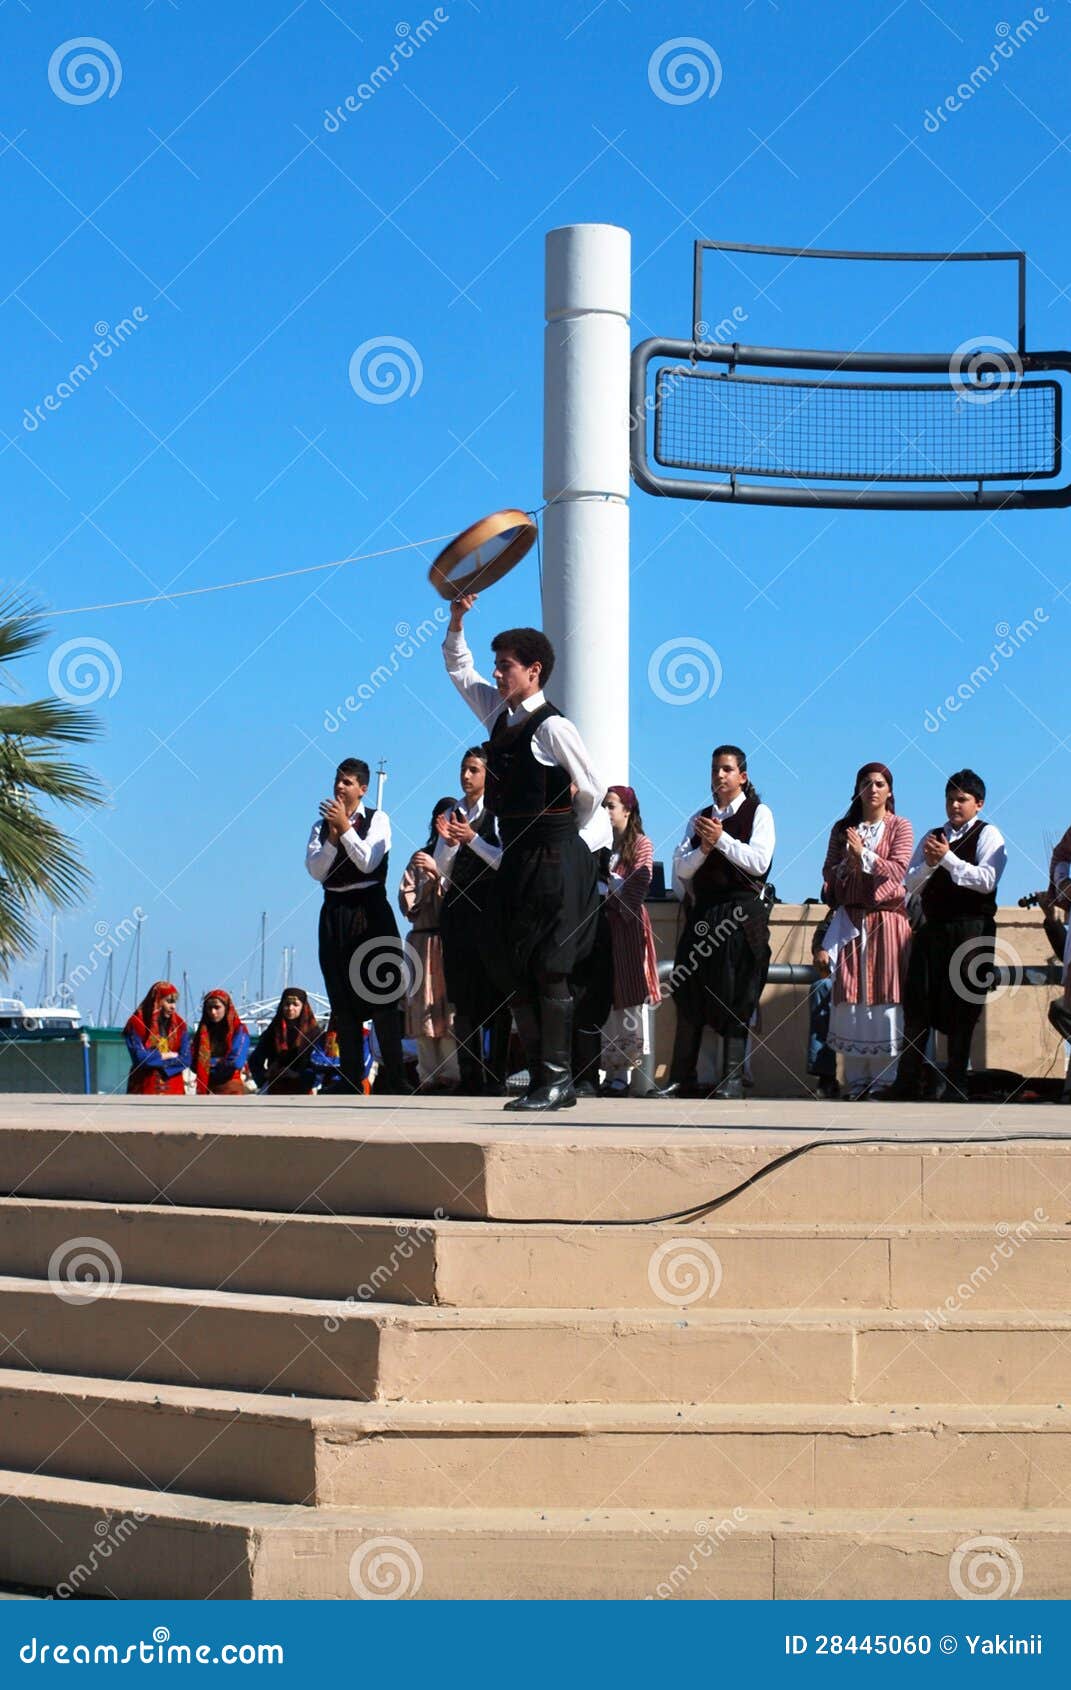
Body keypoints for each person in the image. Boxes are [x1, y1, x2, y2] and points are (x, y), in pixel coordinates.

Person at [442, 592, 607, 1111]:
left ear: (534, 671)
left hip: (554, 858)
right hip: (516, 858)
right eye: (496, 665)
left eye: (506, 666)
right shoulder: (497, 714)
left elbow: (592, 788)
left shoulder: (554, 726)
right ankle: (542, 1078)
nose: (497, 674)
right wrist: (456, 621)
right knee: (514, 965)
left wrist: (561, 831)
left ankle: (558, 1079)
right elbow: (459, 670)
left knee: (552, 964)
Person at [888, 769, 1006, 1102]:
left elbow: (986, 880)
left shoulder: (989, 835)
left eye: (962, 799)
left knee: (963, 1006)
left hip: (971, 930)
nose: (955, 805)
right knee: (919, 1003)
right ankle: (907, 1082)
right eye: (950, 799)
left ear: (978, 803)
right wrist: (929, 864)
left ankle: (956, 1084)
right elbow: (910, 883)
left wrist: (948, 860)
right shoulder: (933, 836)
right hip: (933, 929)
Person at [666, 745, 775, 1100]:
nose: (719, 775)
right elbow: (681, 869)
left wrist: (722, 840)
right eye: (715, 769)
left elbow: (759, 862)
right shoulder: (699, 818)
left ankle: (731, 1079)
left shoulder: (759, 813)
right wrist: (704, 848)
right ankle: (683, 1077)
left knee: (736, 992)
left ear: (742, 776)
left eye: (727, 769)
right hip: (704, 914)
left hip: (740, 915)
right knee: (688, 991)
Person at [305, 757, 410, 1095]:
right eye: (338, 780)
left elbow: (368, 861)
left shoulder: (378, 820)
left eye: (347, 782)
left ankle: (394, 1078)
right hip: (335, 911)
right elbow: (316, 871)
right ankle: (350, 1078)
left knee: (382, 998)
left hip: (370, 910)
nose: (339, 786)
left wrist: (346, 830)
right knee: (342, 999)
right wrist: (333, 837)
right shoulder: (321, 826)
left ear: (363, 789)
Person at [816, 763, 913, 1100]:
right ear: (857, 789)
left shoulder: (900, 826)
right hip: (851, 922)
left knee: (886, 994)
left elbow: (898, 870)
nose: (873, 789)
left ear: (890, 791)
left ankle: (885, 1081)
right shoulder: (842, 829)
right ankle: (856, 1081)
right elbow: (828, 871)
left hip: (886, 921)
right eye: (866, 783)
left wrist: (864, 856)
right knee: (851, 995)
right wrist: (847, 863)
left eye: (880, 783)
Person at [434, 747, 511, 1096]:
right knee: (462, 997)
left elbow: (506, 861)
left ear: (487, 775)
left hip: (491, 908)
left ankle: (496, 1077)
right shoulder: (453, 812)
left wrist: (472, 839)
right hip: (458, 910)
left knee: (496, 994)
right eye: (463, 769)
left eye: (473, 770)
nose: (466, 776)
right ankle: (470, 1076)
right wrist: (450, 843)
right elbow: (442, 869)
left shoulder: (498, 813)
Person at [601, 785, 661, 1097]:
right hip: (603, 928)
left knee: (628, 997)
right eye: (604, 806)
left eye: (611, 806)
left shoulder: (641, 843)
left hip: (628, 928)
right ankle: (606, 1070)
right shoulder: (601, 846)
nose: (606, 812)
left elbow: (641, 881)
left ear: (627, 810)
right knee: (605, 998)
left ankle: (623, 1074)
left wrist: (613, 887)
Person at [398, 797, 460, 1093]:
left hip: (448, 939)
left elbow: (462, 898)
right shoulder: (419, 857)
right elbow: (407, 904)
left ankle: (452, 1073)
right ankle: (428, 1075)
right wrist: (429, 881)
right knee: (421, 1007)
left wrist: (440, 875)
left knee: (447, 1008)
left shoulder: (462, 856)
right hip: (422, 939)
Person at [249, 987, 323, 1095]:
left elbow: (319, 1065)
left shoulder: (314, 1033)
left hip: (303, 1089)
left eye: (295, 1005)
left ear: (303, 1007)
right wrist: (264, 1075)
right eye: (287, 1004)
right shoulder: (273, 1030)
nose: (290, 1008)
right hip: (275, 1087)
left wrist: (297, 1074)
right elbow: (255, 1059)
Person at [123, 981, 191, 1096]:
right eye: (169, 1001)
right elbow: (140, 1058)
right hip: (144, 1088)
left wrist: (154, 1060)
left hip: (174, 1090)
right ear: (156, 1001)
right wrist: (167, 1055)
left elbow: (186, 1059)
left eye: (174, 1002)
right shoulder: (136, 1023)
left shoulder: (180, 1025)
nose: (173, 1007)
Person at [806, 905, 840, 1101]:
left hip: (877, 975)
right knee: (821, 988)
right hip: (841, 976)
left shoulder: (901, 901)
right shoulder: (839, 910)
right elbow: (823, 931)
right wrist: (819, 948)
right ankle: (826, 1077)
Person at [191, 988, 251, 1096]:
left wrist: (206, 1064)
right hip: (207, 1089)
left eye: (217, 1007)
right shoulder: (203, 1032)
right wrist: (218, 1062)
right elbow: (193, 1062)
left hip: (231, 1091)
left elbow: (236, 1062)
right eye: (209, 1008)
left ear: (226, 1008)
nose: (213, 1012)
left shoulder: (239, 1030)